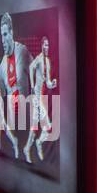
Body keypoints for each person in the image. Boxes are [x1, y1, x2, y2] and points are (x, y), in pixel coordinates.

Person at [0, 12, 30, 159]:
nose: (3, 40)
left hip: (27, 122)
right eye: (1, 35)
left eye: (5, 34)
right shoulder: (1, 66)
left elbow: (38, 76)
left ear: (12, 33)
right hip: (12, 125)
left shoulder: (23, 52)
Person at [23, 35, 57, 163]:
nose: (46, 47)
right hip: (36, 98)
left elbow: (47, 82)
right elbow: (31, 68)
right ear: (42, 46)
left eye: (48, 45)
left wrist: (52, 84)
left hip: (41, 98)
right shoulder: (38, 59)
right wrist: (32, 86)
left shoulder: (47, 62)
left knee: (41, 127)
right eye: (45, 45)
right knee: (43, 127)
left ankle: (29, 147)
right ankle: (32, 146)